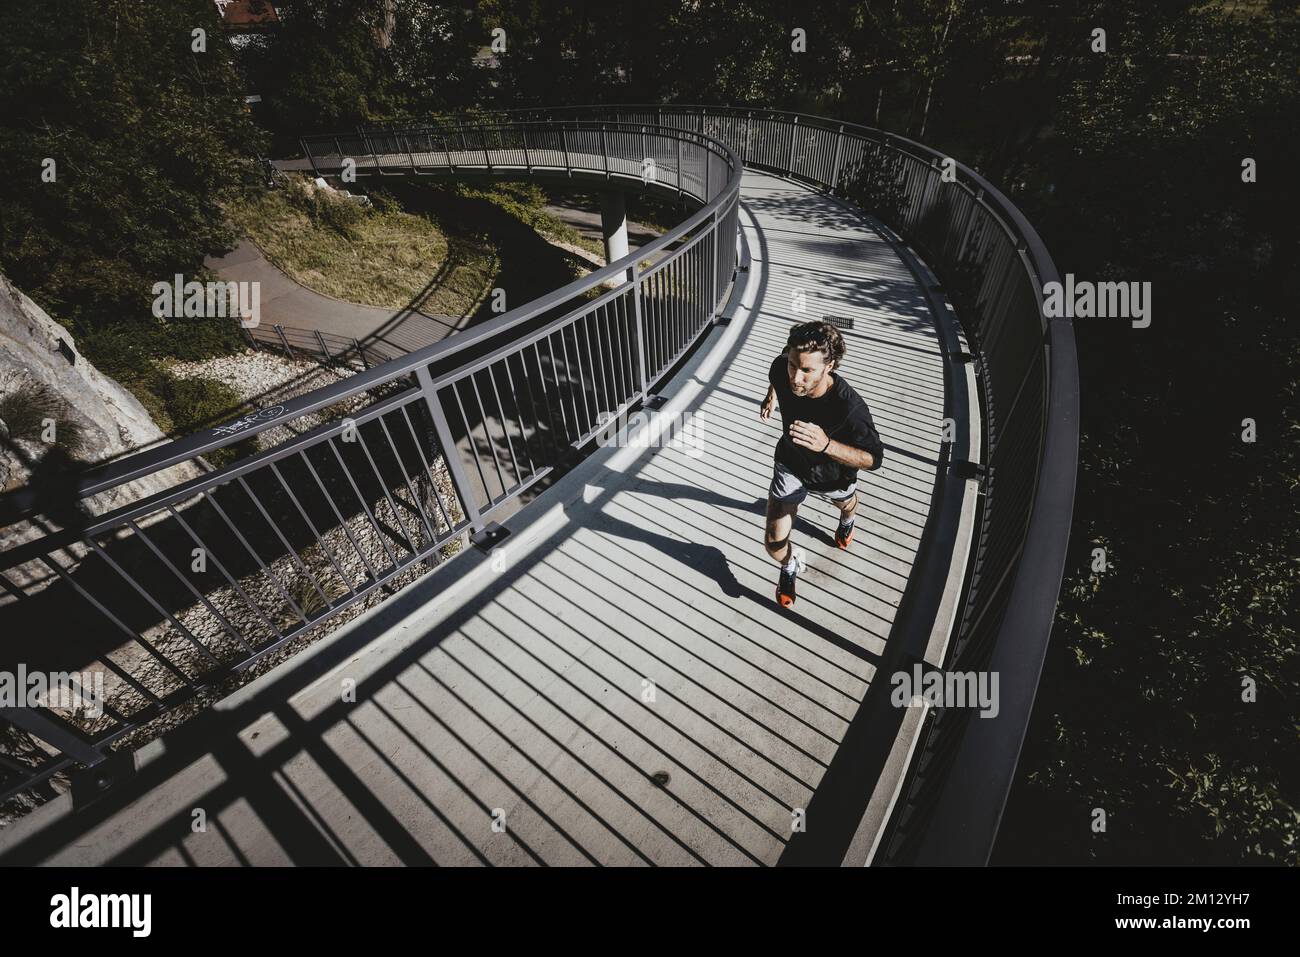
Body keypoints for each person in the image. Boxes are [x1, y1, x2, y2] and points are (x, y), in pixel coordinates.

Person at [759, 320, 884, 606]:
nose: (796, 378)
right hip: (790, 463)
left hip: (831, 475)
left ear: (829, 367)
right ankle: (790, 565)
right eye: (793, 365)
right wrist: (772, 397)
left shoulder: (849, 407)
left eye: (807, 370)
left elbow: (873, 458)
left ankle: (848, 518)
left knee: (845, 502)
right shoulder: (782, 368)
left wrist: (826, 445)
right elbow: (779, 373)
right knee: (773, 543)